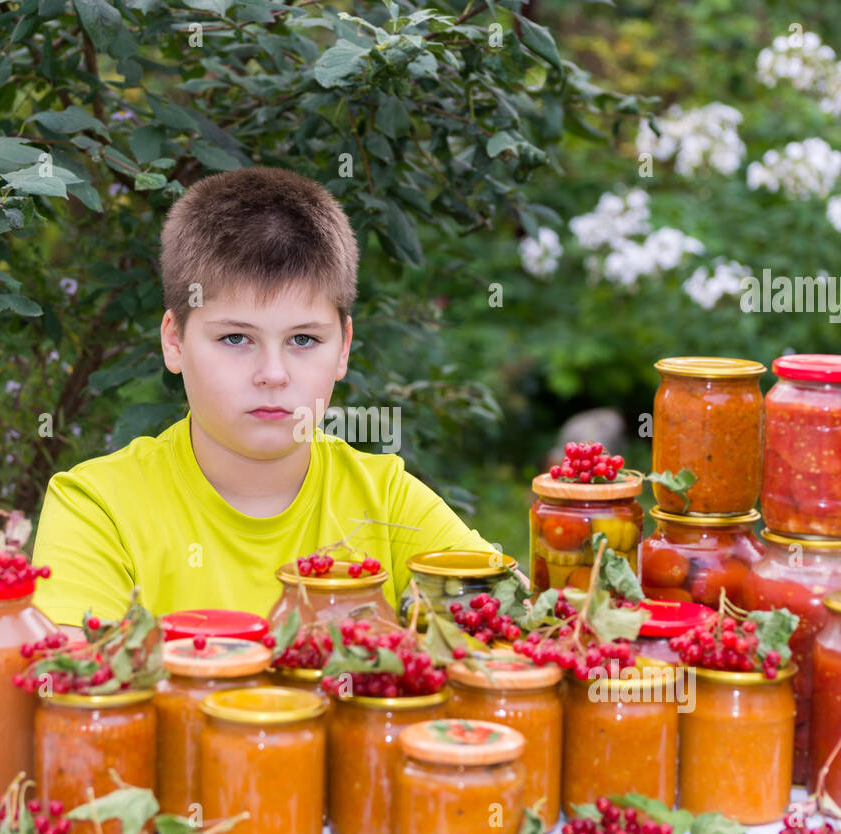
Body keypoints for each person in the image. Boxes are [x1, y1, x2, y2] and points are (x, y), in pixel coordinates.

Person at [30, 166, 500, 631]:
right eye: (236, 338)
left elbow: (513, 626)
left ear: (344, 348)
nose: (273, 375)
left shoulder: (390, 505)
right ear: (174, 342)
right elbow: (80, 690)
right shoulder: (99, 509)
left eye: (303, 340)